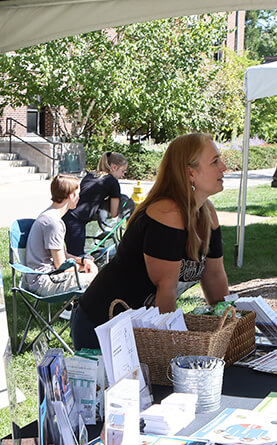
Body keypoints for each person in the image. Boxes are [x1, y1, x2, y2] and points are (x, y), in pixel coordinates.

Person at [70, 134, 228, 350]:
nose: (224, 167)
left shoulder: (206, 213)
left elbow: (214, 275)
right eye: (215, 162)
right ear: (190, 172)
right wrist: (170, 349)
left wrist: (226, 324)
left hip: (138, 327)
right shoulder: (168, 213)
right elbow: (167, 288)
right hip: (104, 325)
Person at [25, 173, 99, 296]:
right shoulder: (54, 222)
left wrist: (83, 260)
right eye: (78, 194)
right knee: (99, 280)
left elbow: (62, 254)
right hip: (45, 281)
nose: (79, 198)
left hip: (45, 277)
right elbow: (60, 265)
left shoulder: (50, 216)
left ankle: (72, 309)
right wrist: (85, 268)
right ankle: (76, 311)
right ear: (71, 196)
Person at [65, 151, 129, 257]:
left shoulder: (90, 175)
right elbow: (114, 213)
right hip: (76, 221)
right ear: (113, 167)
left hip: (66, 213)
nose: (123, 175)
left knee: (66, 254)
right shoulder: (112, 182)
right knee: (76, 258)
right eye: (123, 171)